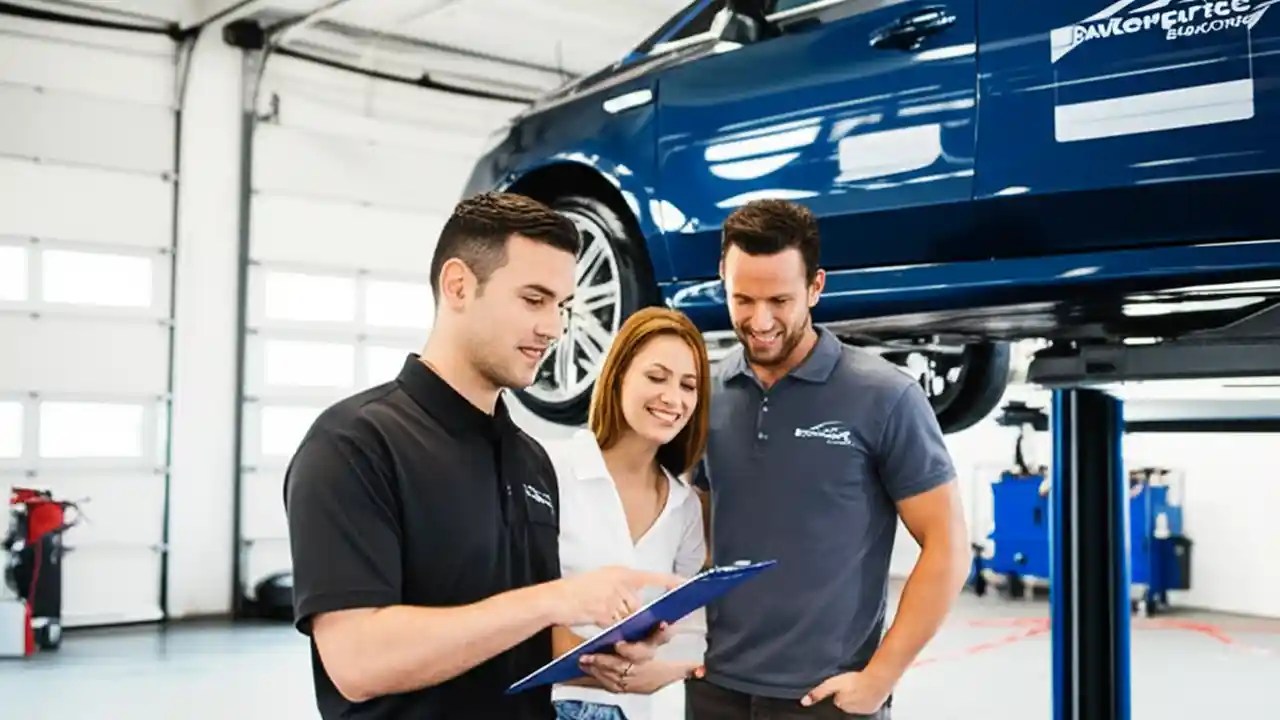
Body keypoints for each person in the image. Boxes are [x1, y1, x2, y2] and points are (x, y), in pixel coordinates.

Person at [283, 192, 682, 720]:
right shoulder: (354, 445)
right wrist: (556, 599)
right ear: (458, 286)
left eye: (562, 306)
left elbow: (515, 634)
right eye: (534, 300)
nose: (555, 328)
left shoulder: (531, 461)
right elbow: (358, 662)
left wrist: (597, 654)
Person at [686, 199, 971, 719]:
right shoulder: (704, 394)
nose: (760, 320)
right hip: (714, 690)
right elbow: (694, 539)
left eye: (780, 300)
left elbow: (948, 545)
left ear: (816, 287)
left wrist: (880, 678)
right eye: (742, 299)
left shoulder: (885, 397)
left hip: (826, 699)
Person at [548, 307, 714, 720]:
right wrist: (602, 666)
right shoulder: (553, 470)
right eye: (656, 378)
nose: (672, 398)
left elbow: (687, 630)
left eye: (688, 386)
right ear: (619, 374)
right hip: (545, 706)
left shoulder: (684, 506)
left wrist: (660, 665)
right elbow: (515, 608)